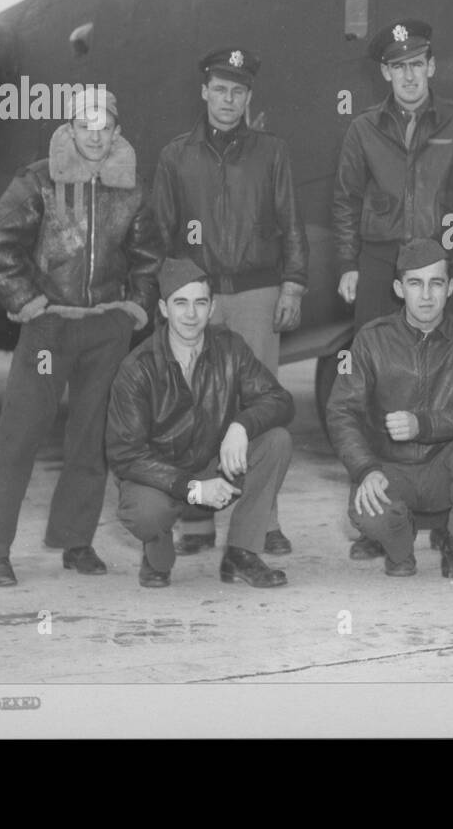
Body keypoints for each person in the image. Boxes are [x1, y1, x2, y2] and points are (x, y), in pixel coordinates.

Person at [0, 87, 161, 586]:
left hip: (106, 329)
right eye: (85, 126)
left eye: (104, 127)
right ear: (70, 129)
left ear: (116, 130)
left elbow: (148, 258)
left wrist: (136, 311)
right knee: (19, 437)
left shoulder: (132, 188)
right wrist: (29, 303)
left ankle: (76, 541)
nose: (95, 136)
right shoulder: (38, 180)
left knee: (93, 441)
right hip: (48, 327)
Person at [331, 19, 453, 559]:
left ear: (431, 66)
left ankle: (450, 516)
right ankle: (380, 521)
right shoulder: (362, 129)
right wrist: (349, 263)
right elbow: (344, 200)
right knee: (375, 387)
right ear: (385, 72)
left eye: (416, 64)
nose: (408, 75)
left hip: (439, 261)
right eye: (397, 66)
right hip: (383, 264)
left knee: (447, 380)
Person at [152, 46, 308, 558]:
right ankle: (196, 518)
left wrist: (293, 283)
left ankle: (265, 523)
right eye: (219, 89)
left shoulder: (272, 151)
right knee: (196, 405)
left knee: (263, 406)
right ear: (204, 92)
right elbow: (162, 233)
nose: (227, 99)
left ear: (248, 97)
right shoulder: (176, 155)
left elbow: (291, 222)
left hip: (258, 293)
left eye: (237, 91)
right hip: (200, 297)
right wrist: (177, 299)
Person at [105, 258, 294, 588]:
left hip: (211, 463)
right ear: (163, 308)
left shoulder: (230, 348)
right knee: (146, 513)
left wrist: (242, 426)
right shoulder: (138, 368)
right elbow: (126, 454)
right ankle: (157, 550)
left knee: (276, 440)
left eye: (200, 303)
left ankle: (242, 553)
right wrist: (193, 489)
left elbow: (279, 399)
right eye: (181, 303)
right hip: (158, 477)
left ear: (212, 308)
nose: (191, 314)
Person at [326, 239, 453, 585]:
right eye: (415, 283)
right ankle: (399, 548)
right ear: (398, 288)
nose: (426, 295)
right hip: (392, 470)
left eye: (436, 283)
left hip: (442, 468)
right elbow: (341, 410)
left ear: (449, 288)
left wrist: (423, 424)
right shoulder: (371, 339)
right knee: (365, 510)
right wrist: (365, 469)